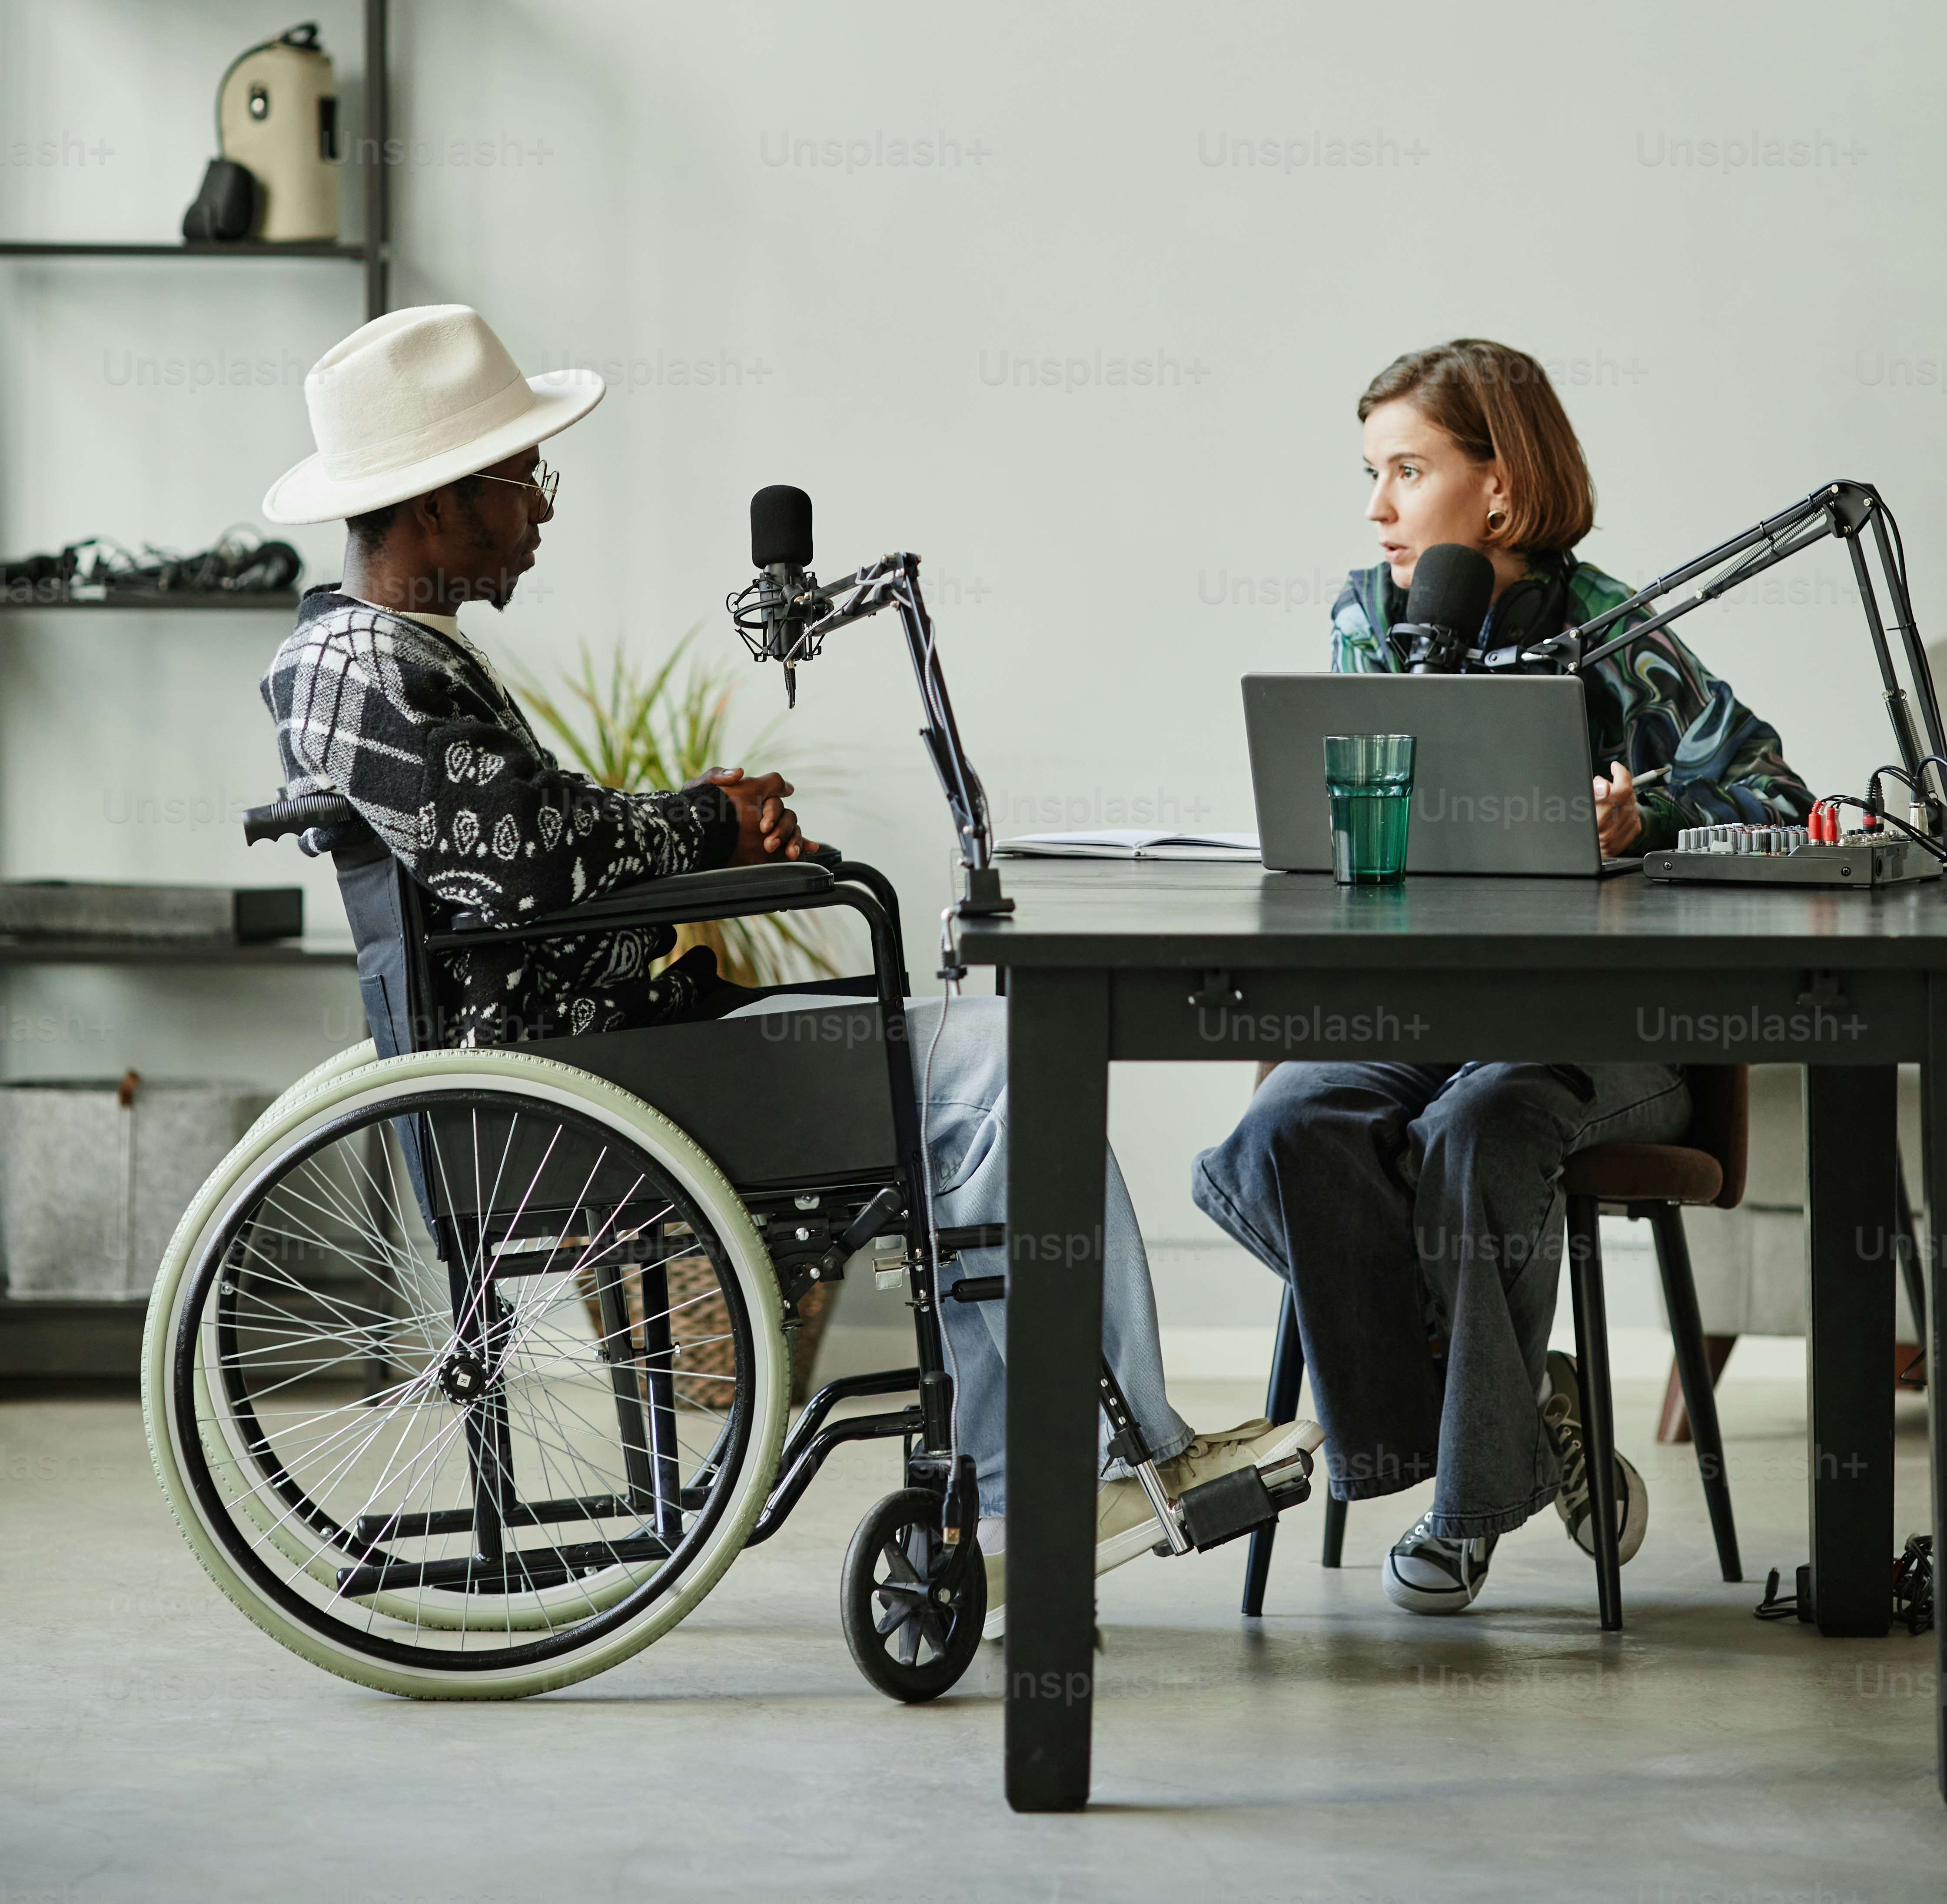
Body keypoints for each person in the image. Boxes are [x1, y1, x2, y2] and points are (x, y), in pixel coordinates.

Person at [260, 303, 1313, 1618]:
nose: (542, 507)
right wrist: (709, 820)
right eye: (524, 478)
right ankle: (1059, 1474)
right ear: (436, 502)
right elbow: (524, 861)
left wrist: (709, 826)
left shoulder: (386, 655)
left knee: (983, 1078)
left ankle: (1030, 1472)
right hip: (578, 1093)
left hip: (604, 1060)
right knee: (1014, 1064)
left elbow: (524, 858)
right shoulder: (355, 662)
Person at [1193, 337, 1814, 1617]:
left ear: (1501, 487)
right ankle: (1522, 1412)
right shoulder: (1369, 620)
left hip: (1610, 1042)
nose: (1375, 508)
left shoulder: (1622, 634)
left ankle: (1467, 1511)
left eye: (1405, 471)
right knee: (1284, 1127)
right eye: (1370, 474)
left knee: (1484, 1127)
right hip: (1424, 1015)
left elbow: (1777, 793)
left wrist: (1648, 821)